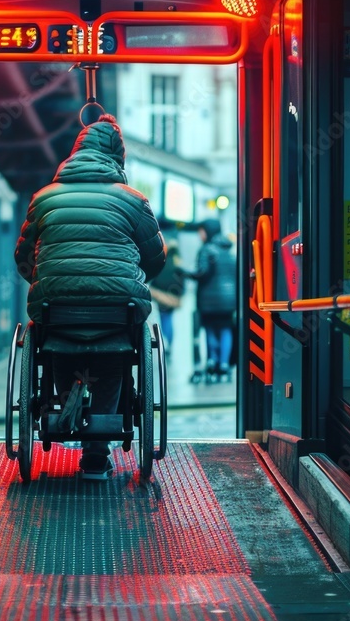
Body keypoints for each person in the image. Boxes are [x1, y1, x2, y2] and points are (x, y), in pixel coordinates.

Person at [15, 113, 166, 479]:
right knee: (114, 357)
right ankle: (97, 452)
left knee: (56, 340)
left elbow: (24, 258)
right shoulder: (134, 200)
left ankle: (66, 418)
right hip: (118, 312)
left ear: (75, 154)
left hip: (56, 312)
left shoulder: (43, 198)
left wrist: (52, 283)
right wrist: (124, 279)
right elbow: (156, 260)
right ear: (118, 159)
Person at [187, 218, 237, 383]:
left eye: (201, 230)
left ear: (208, 230)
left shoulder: (206, 249)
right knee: (226, 330)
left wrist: (185, 273)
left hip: (209, 302)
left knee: (210, 330)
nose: (199, 234)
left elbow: (202, 273)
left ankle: (213, 361)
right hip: (229, 302)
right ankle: (224, 364)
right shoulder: (229, 249)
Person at [148, 238, 185, 357]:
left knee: (164, 318)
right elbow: (181, 281)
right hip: (173, 296)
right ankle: (169, 341)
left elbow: (157, 279)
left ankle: (166, 341)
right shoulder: (178, 263)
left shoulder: (163, 262)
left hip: (161, 295)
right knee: (169, 317)